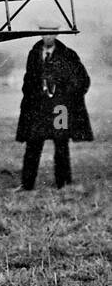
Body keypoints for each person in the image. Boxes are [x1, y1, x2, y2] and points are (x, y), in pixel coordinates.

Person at [15, 20, 92, 191]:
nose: (47, 36)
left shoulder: (68, 55)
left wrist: (66, 96)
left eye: (51, 33)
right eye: (44, 33)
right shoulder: (34, 54)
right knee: (33, 144)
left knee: (61, 143)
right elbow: (28, 80)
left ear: (57, 34)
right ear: (40, 34)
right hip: (38, 108)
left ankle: (63, 184)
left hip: (60, 109)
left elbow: (82, 80)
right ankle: (27, 185)